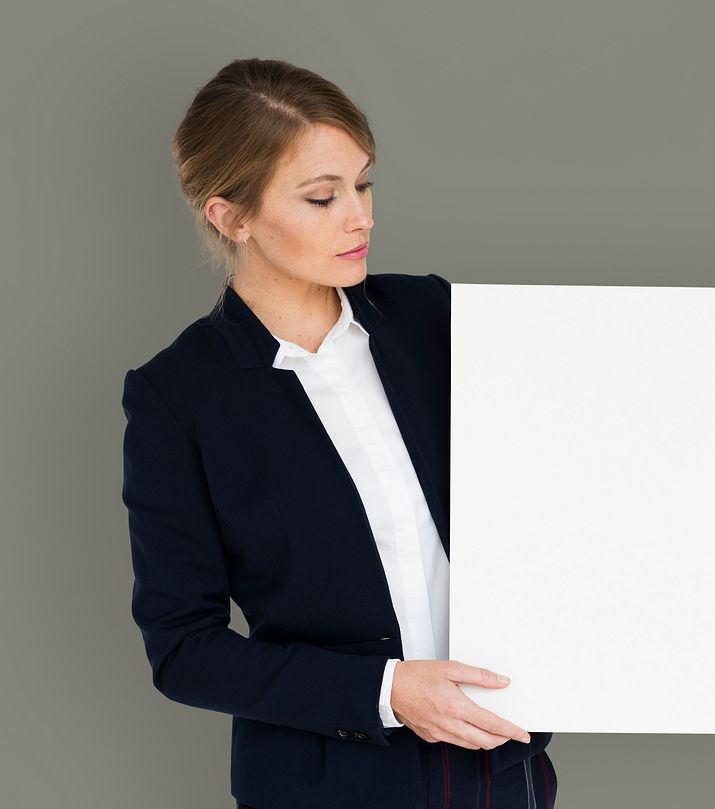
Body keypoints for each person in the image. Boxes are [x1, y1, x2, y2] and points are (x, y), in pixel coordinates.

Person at [121, 57, 557, 809]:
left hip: (502, 774)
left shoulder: (434, 318)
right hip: (325, 786)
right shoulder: (178, 395)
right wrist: (387, 691)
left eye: (363, 184)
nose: (361, 216)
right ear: (231, 215)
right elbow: (183, 647)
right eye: (323, 197)